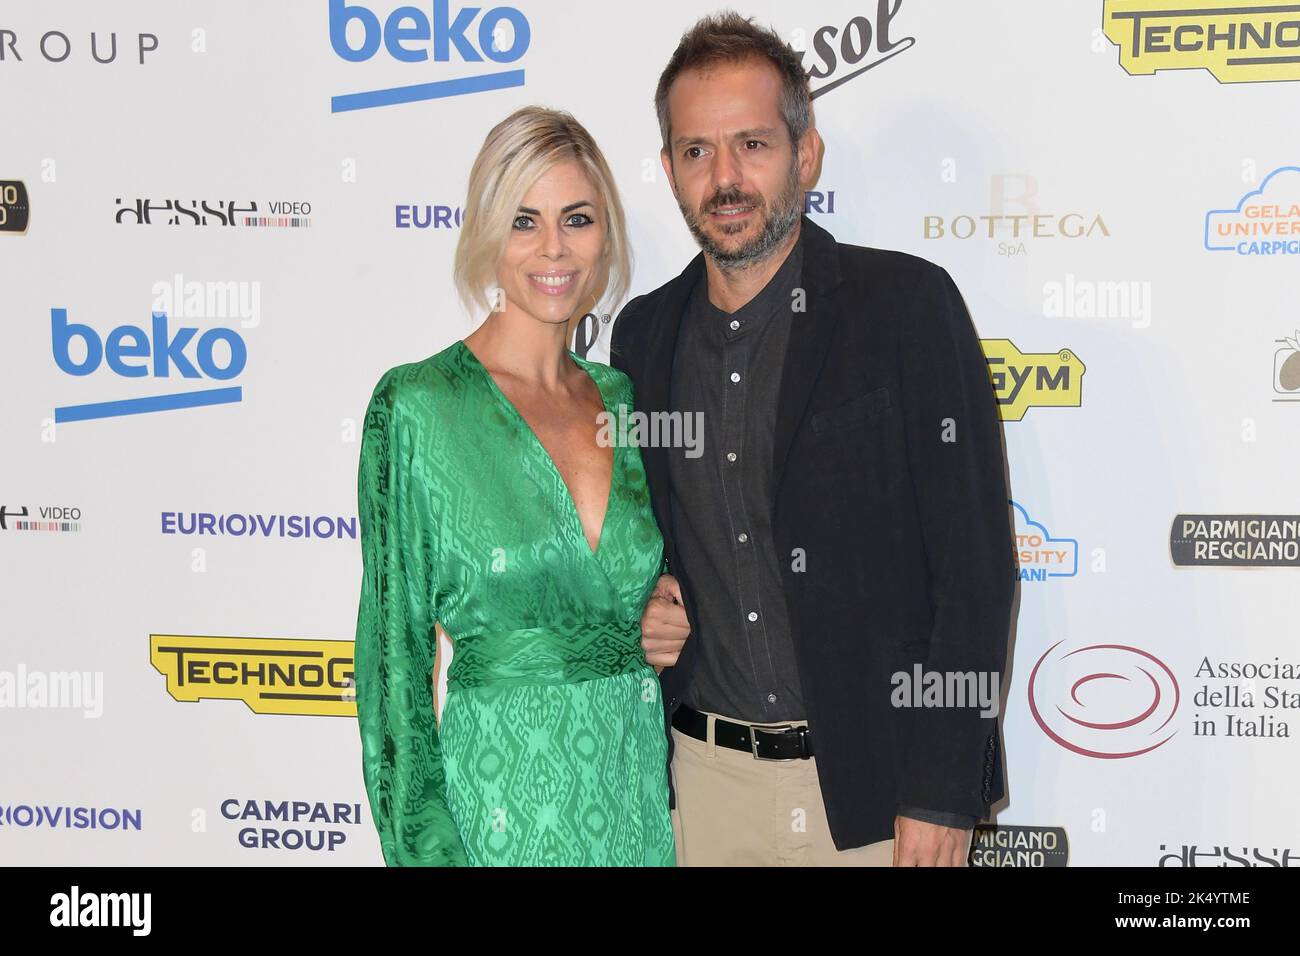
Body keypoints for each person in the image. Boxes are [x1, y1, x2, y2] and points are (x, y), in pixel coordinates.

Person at [611, 12, 1016, 866]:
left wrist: (943, 790)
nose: (724, 177)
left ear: (806, 154)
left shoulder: (905, 307)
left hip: (873, 797)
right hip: (701, 785)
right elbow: (645, 545)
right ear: (668, 171)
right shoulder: (642, 336)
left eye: (752, 144)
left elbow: (976, 569)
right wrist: (642, 606)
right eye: (696, 151)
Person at [354, 106, 675, 866]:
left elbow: (635, 595)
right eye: (525, 221)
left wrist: (666, 610)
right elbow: (392, 674)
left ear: (606, 234)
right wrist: (428, 854)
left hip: (633, 806)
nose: (554, 248)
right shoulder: (419, 406)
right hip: (498, 818)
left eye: (578, 218)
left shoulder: (621, 401)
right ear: (487, 233)